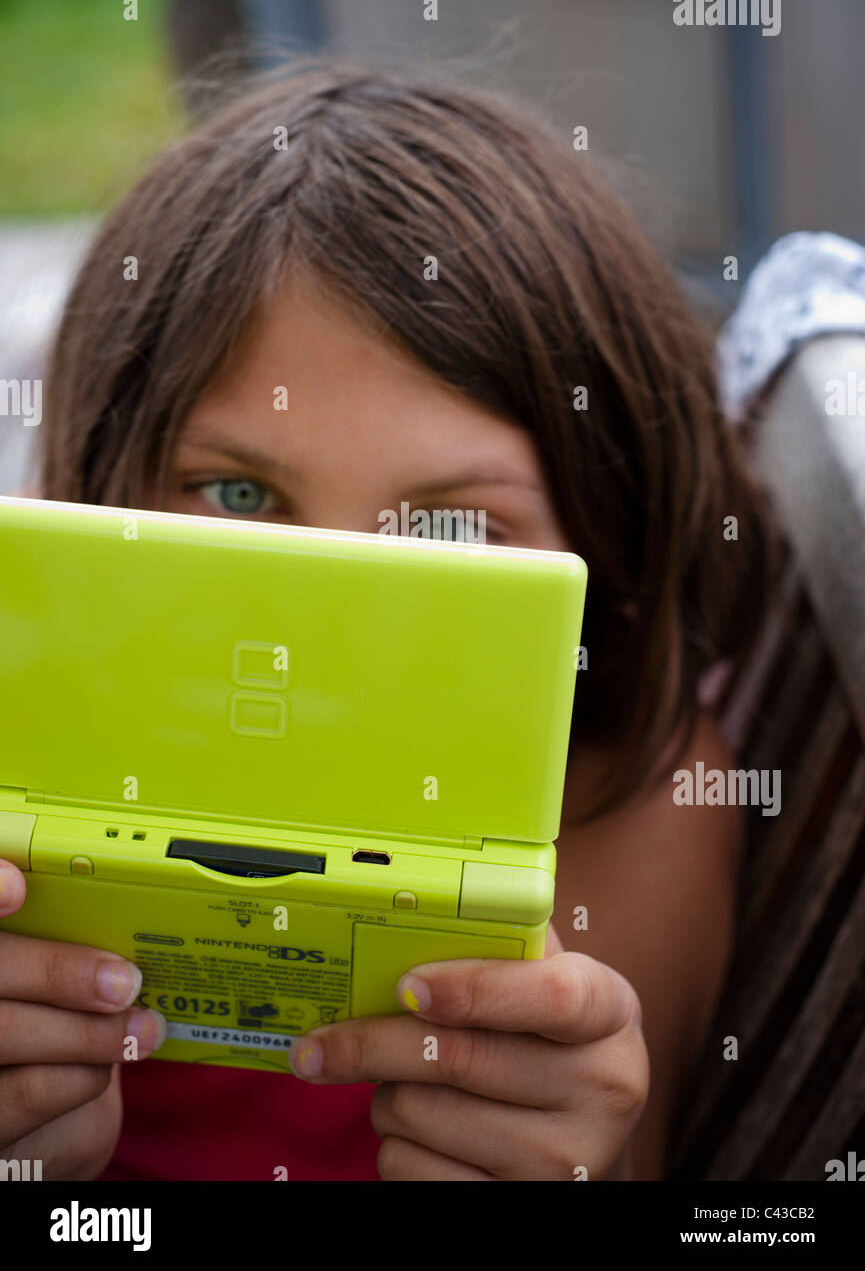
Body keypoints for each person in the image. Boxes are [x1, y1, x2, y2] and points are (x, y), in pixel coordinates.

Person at [0, 61, 778, 1181]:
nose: (327, 628)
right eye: (235, 495)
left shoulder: (621, 803)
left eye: (450, 530)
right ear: (101, 492)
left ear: (601, 542)